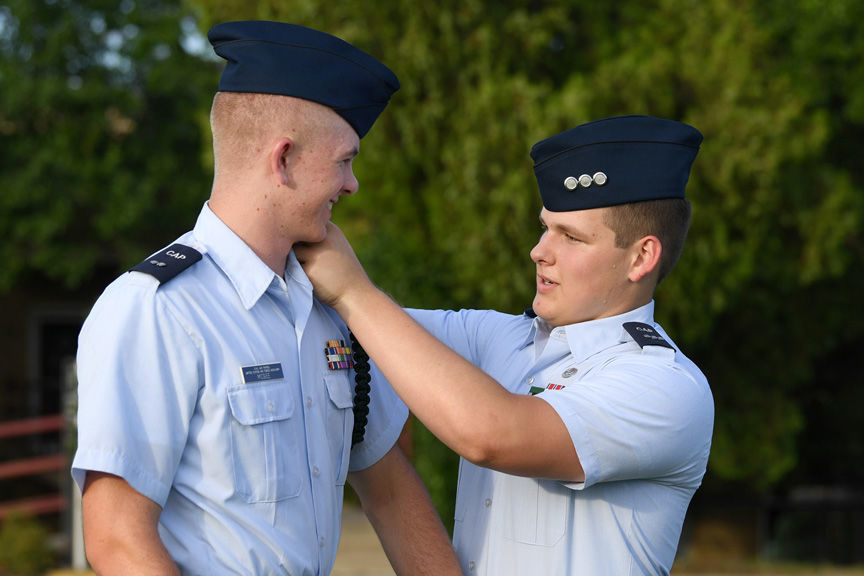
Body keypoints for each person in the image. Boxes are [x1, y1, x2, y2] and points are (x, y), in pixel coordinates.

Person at [71, 20, 460, 575]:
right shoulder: (158, 309)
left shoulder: (334, 304)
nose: (352, 184)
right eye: (344, 161)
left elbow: (390, 487)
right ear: (283, 159)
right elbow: (117, 540)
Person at [296, 115, 715, 575]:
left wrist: (354, 292)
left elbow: (491, 435)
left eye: (571, 237)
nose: (540, 251)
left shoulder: (666, 386)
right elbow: (368, 329)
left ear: (641, 257)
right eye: (546, 228)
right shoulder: (503, 337)